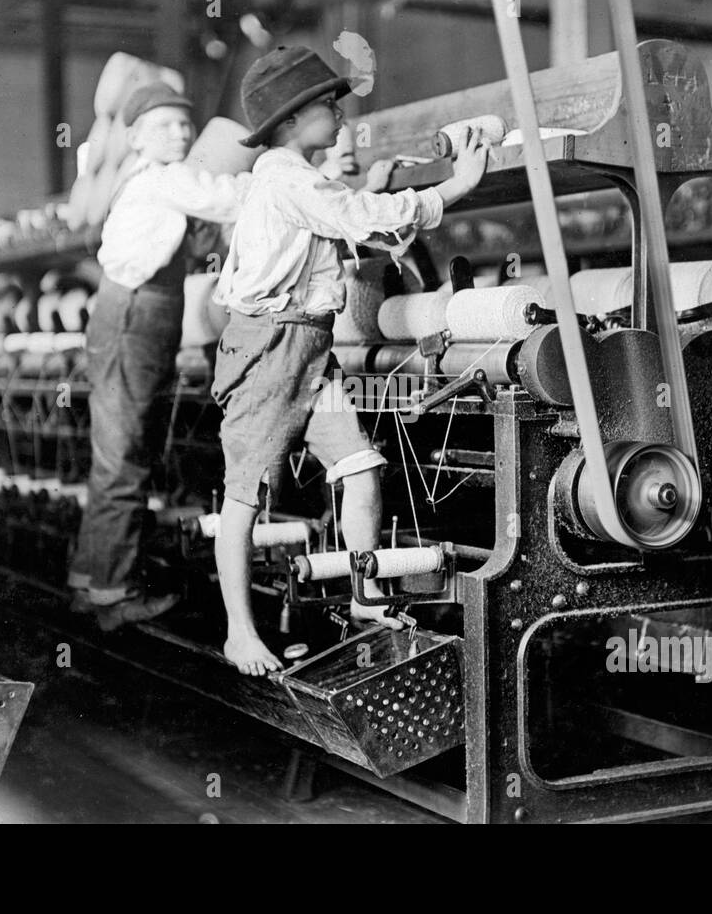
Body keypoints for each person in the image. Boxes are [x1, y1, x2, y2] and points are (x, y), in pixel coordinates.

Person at [211, 46, 488, 675]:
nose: (340, 114)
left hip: (311, 348)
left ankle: (364, 594)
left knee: (361, 466)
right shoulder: (286, 177)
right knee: (245, 498)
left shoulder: (301, 177)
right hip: (269, 351)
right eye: (327, 105)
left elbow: (357, 215)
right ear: (288, 122)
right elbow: (362, 217)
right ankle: (238, 632)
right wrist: (455, 187)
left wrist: (399, 185)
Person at [68, 82, 250, 631]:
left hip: (128, 316)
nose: (179, 133)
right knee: (124, 460)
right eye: (163, 125)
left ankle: (91, 580)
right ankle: (115, 596)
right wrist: (287, 176)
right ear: (134, 137)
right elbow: (229, 197)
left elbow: (192, 238)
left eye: (183, 123)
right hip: (136, 320)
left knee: (117, 458)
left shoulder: (144, 179)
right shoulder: (165, 178)